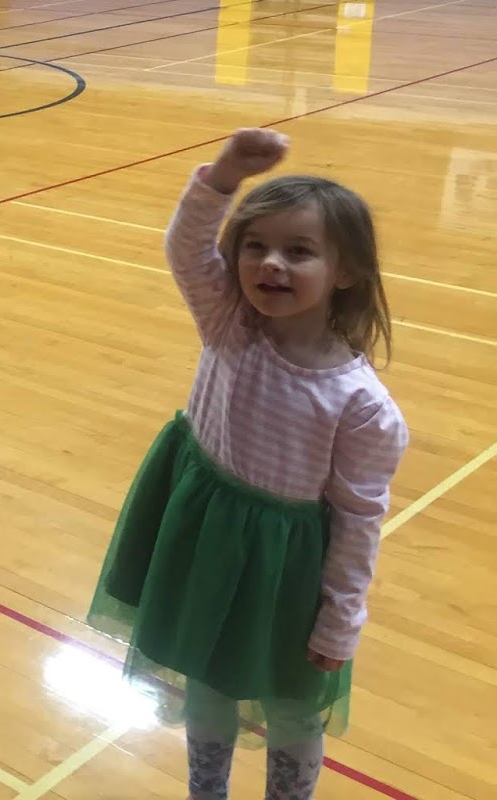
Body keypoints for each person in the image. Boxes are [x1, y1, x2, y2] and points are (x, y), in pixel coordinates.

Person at [88, 129, 408, 800]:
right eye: (255, 247)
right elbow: (184, 247)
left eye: (299, 251)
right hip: (203, 532)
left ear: (345, 271)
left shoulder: (361, 406)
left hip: (281, 568)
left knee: (291, 703)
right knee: (207, 680)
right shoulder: (228, 324)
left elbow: (359, 519)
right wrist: (223, 178)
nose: (271, 264)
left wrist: (340, 617)